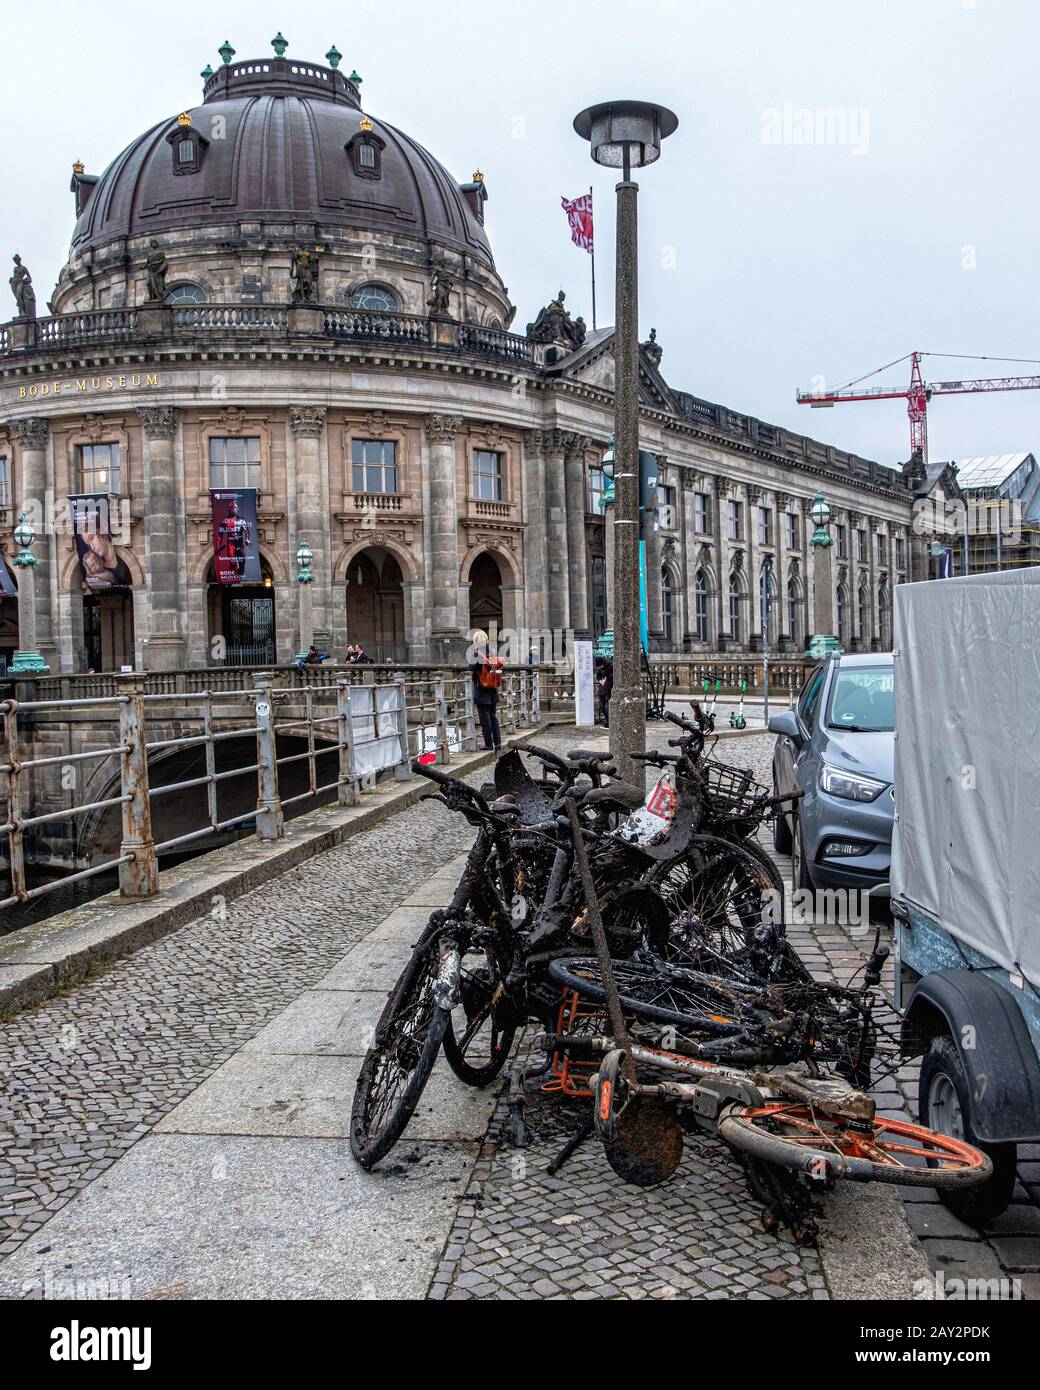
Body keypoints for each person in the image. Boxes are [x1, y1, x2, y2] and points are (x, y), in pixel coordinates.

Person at [470, 628, 503, 753]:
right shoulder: (493, 652)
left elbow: (472, 669)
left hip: (482, 689)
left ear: (476, 641)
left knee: (485, 719)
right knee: (493, 717)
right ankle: (498, 743)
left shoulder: (477, 654)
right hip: (493, 689)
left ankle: (488, 744)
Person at [595, 656, 613, 728]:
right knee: (602, 707)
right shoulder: (601, 669)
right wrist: (600, 680)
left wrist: (606, 678)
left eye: (599, 666)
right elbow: (598, 675)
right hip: (603, 689)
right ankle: (608, 721)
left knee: (606, 707)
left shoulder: (610, 667)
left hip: (608, 688)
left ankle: (609, 722)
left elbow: (610, 677)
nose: (599, 668)